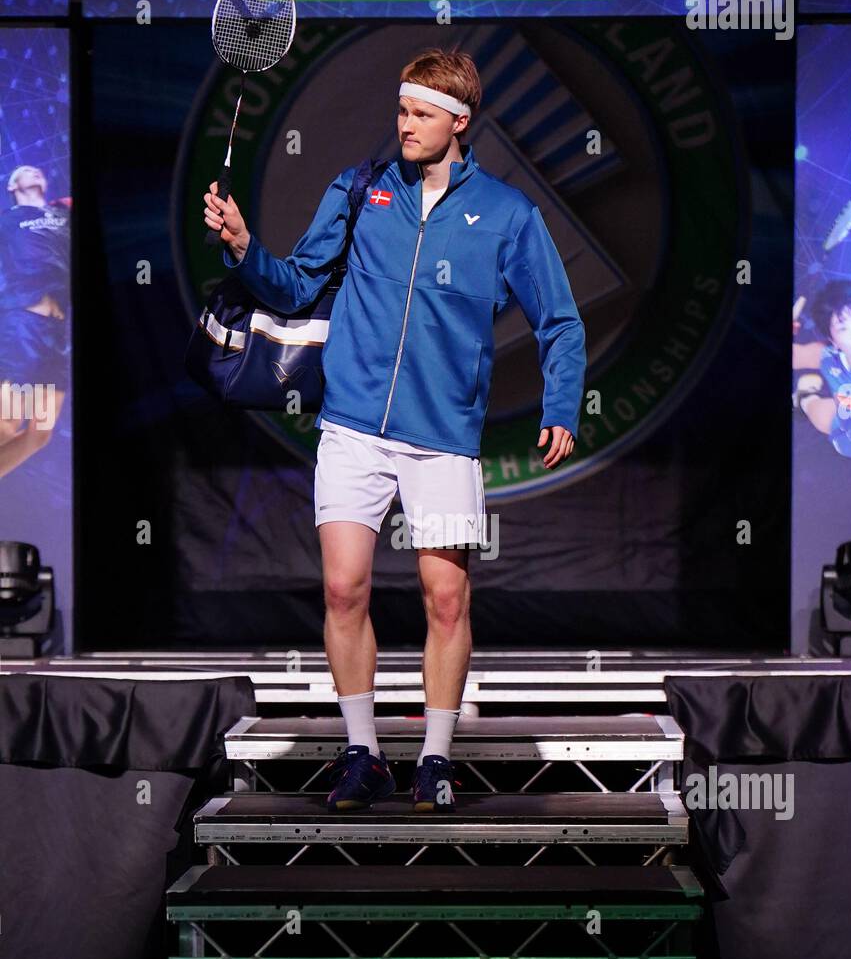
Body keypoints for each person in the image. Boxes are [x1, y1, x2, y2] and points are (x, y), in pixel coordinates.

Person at [204, 47, 586, 811]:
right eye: (401, 111)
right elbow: (296, 284)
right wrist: (244, 246)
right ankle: (362, 752)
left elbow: (561, 322)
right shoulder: (359, 188)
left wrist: (561, 408)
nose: (404, 125)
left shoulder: (509, 215)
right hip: (352, 428)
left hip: (443, 436)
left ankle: (437, 760)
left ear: (459, 121)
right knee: (343, 590)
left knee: (446, 600)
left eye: (420, 114)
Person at [0, 165, 70, 480]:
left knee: (40, 433)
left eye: (39, 171)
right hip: (25, 326)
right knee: (5, 426)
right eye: (25, 171)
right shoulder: (7, 220)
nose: (35, 172)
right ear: (13, 186)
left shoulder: (63, 213)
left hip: (59, 334)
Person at [792, 280, 851, 457]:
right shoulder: (827, 357)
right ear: (833, 341)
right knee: (823, 415)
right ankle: (804, 396)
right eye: (842, 328)